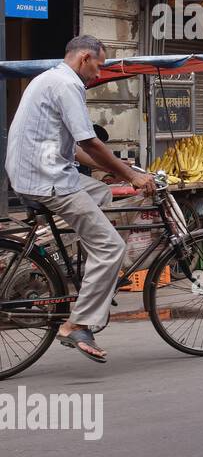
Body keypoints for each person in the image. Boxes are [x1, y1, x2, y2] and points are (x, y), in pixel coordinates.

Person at [4, 36, 155, 361]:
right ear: (85, 58)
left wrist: (117, 167)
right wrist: (133, 176)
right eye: (99, 65)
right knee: (112, 247)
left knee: (102, 192)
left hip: (37, 173)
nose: (98, 74)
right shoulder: (67, 85)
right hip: (48, 180)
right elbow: (89, 141)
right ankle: (78, 324)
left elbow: (75, 148)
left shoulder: (49, 79)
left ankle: (91, 271)